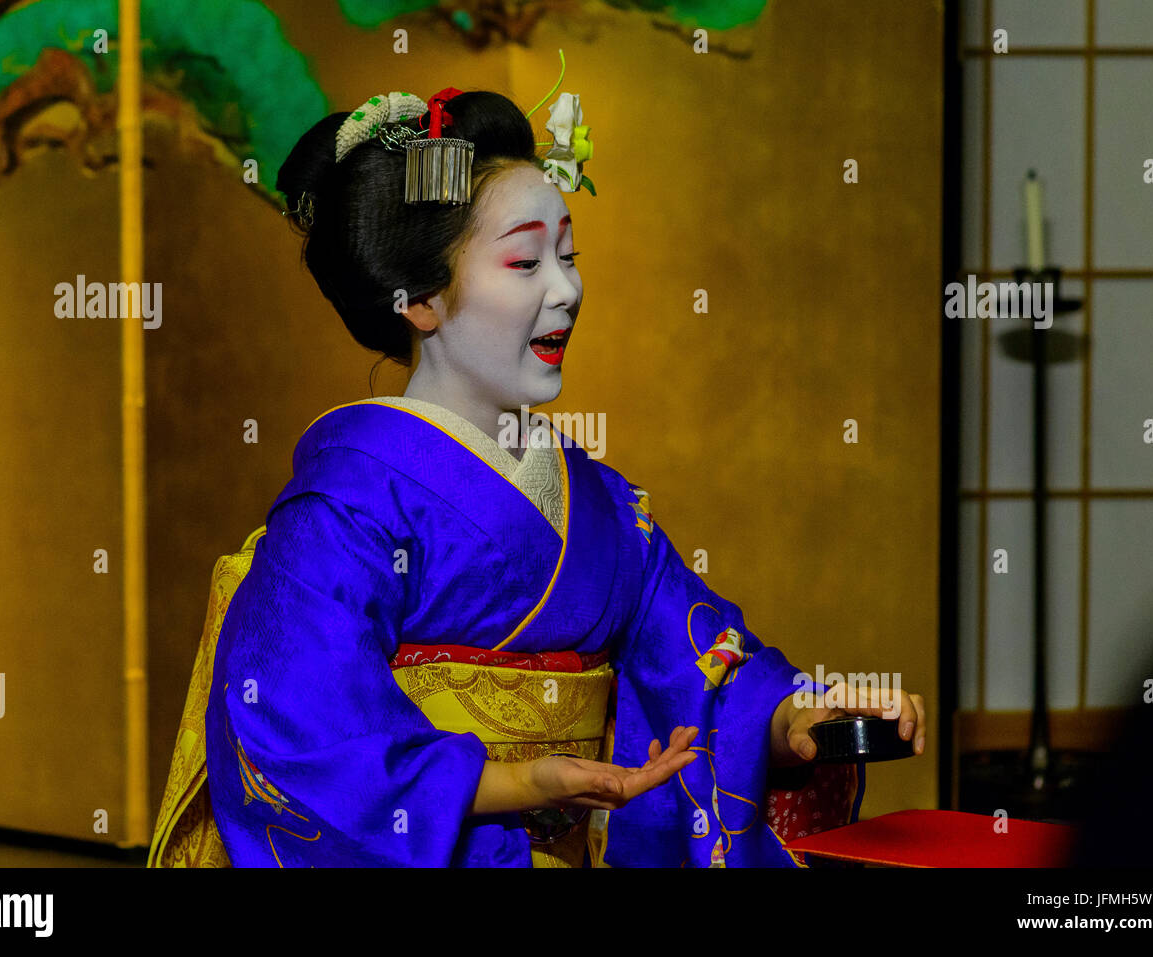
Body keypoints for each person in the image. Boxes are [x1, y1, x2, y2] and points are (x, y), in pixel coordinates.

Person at [153, 63, 926, 867]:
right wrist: (522, 783)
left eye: (569, 254)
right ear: (418, 297)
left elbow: (700, 656)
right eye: (526, 264)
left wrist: (791, 717)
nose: (568, 290)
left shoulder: (599, 501)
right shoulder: (344, 504)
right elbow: (301, 729)